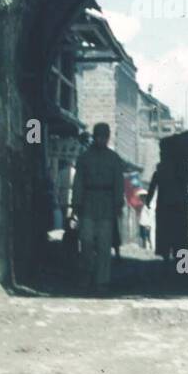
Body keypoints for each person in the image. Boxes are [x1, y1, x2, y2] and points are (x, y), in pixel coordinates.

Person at [71, 123, 125, 292]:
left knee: (104, 245)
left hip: (107, 206)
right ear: (94, 137)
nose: (101, 139)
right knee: (86, 242)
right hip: (88, 204)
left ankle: (102, 281)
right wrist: (76, 205)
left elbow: (119, 184)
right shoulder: (84, 158)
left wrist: (118, 204)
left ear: (108, 138)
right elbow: (78, 182)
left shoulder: (114, 159)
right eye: (99, 136)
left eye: (104, 136)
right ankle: (86, 276)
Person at [146, 130, 188, 266]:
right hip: (181, 204)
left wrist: (148, 199)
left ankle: (166, 268)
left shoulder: (161, 167)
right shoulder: (183, 164)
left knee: (165, 234)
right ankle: (183, 269)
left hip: (164, 204)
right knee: (182, 236)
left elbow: (153, 185)